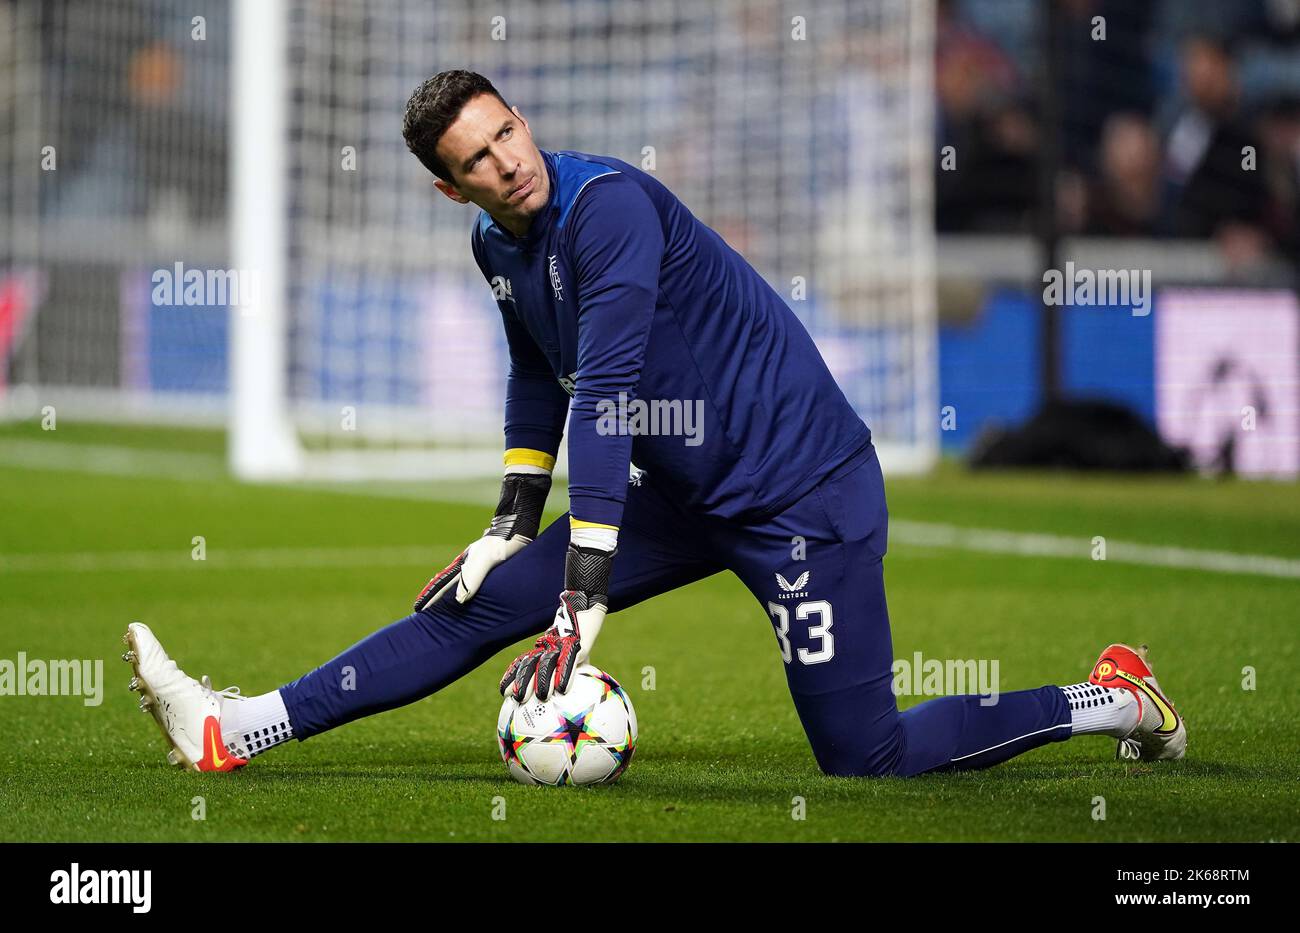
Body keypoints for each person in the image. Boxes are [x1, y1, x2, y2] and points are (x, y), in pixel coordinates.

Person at [122, 71, 1185, 775]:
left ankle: (1109, 699)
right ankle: (234, 727)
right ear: (455, 193)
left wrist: (584, 591)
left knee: (867, 758)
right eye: (479, 160)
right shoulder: (499, 248)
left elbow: (609, 390)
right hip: (677, 494)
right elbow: (541, 377)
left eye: (508, 131)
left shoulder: (609, 207)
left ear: (523, 118)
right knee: (473, 601)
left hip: (799, 499)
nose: (508, 160)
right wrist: (507, 522)